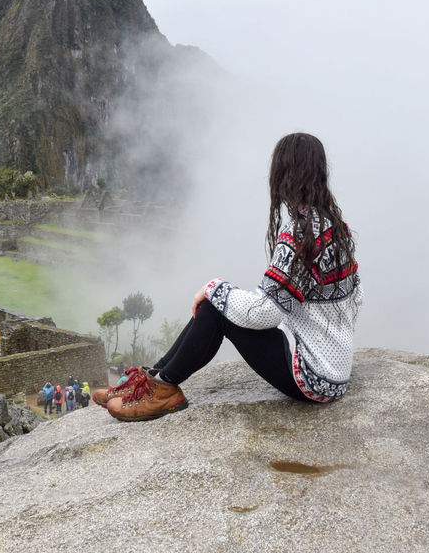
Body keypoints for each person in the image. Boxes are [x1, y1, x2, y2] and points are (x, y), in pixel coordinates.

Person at [98, 133, 362, 422]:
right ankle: (154, 380)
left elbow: (264, 313)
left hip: (312, 379)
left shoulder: (299, 234)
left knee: (216, 309)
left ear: (284, 175)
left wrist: (213, 288)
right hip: (334, 373)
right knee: (222, 303)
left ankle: (163, 390)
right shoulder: (338, 228)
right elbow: (354, 299)